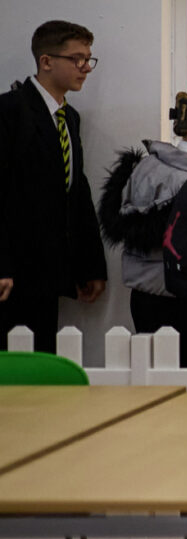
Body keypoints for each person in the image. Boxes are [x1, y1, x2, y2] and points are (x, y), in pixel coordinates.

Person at [97, 89, 187, 371]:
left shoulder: (147, 164)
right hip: (182, 294)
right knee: (186, 379)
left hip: (142, 294)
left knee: (151, 378)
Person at [0, 20, 108, 352]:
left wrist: (90, 264)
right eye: (76, 59)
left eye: (89, 58)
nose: (86, 68)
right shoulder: (10, 110)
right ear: (47, 61)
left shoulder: (67, 116)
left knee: (41, 359)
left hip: (48, 268)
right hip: (14, 267)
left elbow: (75, 191)